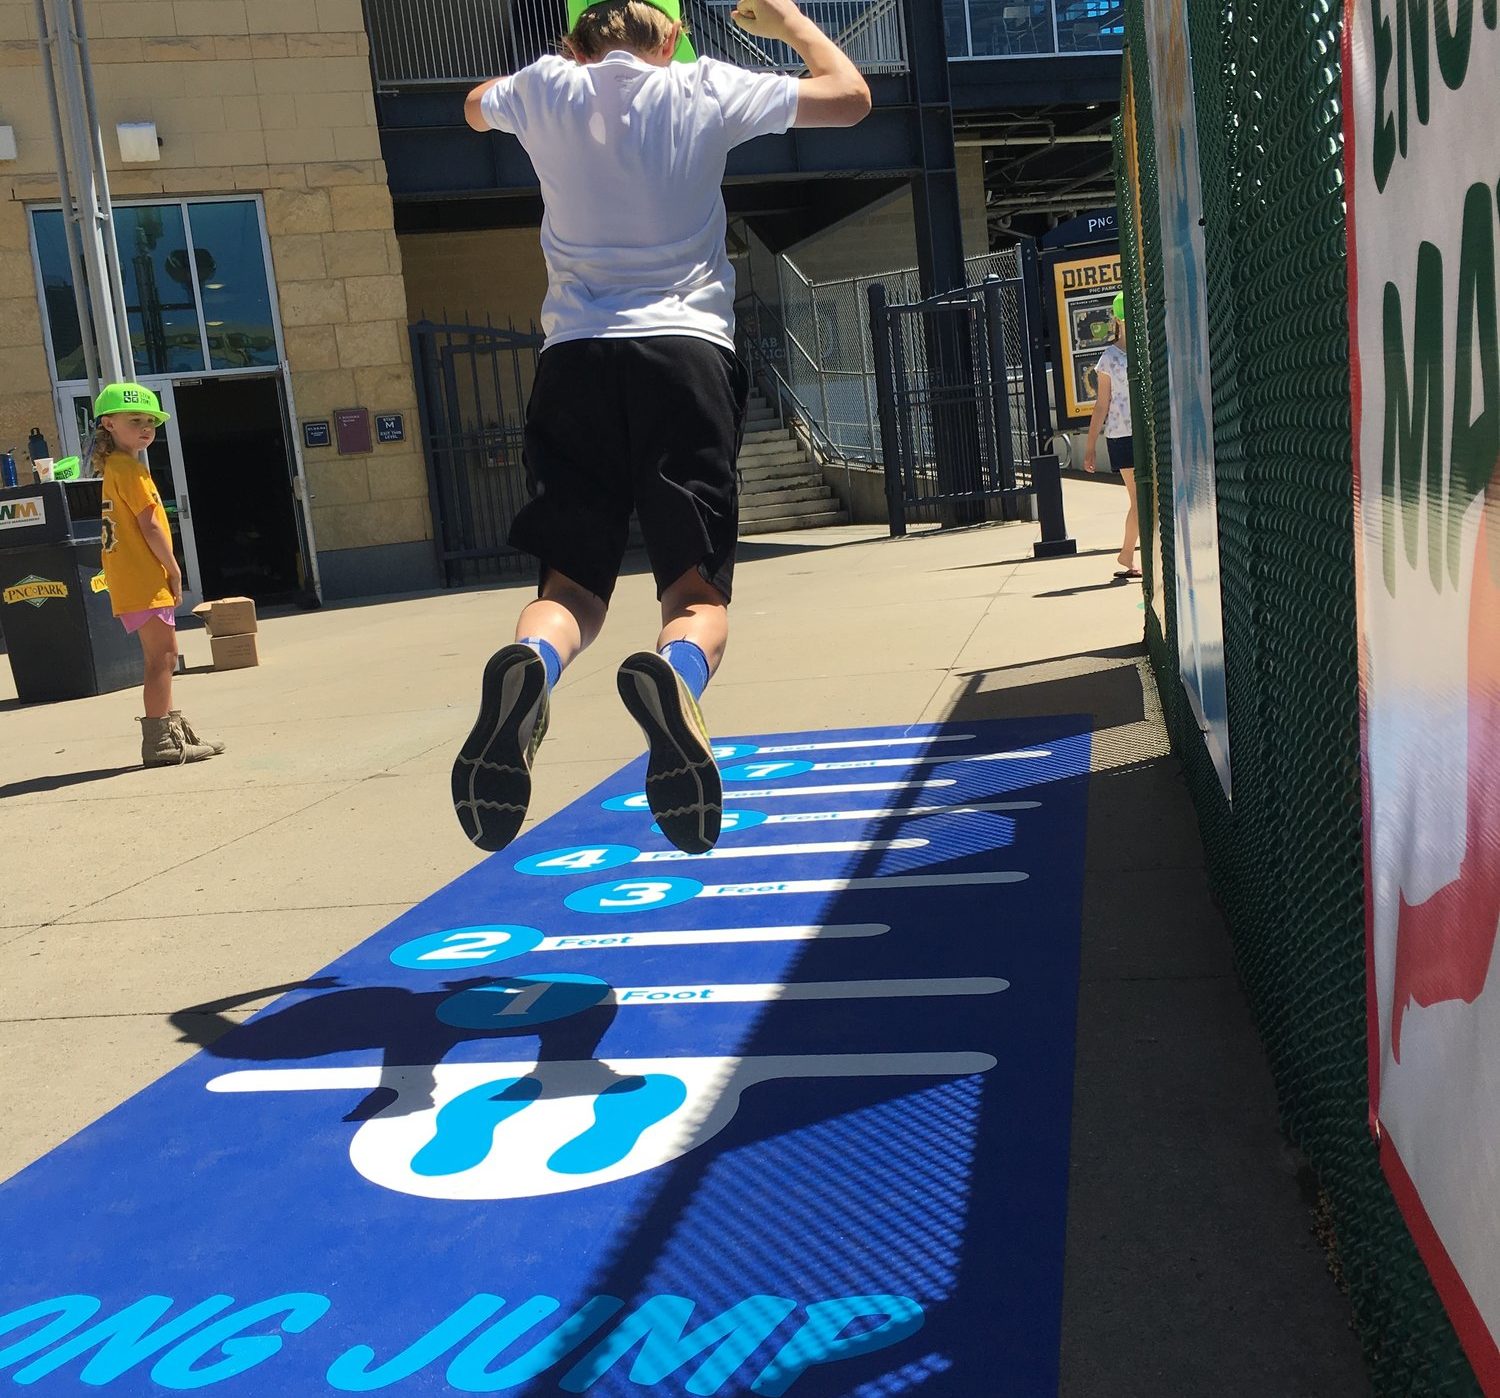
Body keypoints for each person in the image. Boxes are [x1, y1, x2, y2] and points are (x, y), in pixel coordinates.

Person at [454, 0, 871, 855]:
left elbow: (472, 107)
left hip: (574, 360)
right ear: (675, 35)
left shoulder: (544, 88)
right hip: (685, 355)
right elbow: (850, 98)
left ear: (576, 39)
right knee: (695, 596)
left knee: (570, 588)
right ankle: (676, 675)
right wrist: (788, 21)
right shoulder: (705, 88)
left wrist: (556, 73)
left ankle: (536, 663)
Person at [92, 383, 224, 767]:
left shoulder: (118, 468)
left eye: (150, 421)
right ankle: (161, 742)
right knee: (162, 658)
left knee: (163, 656)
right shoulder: (129, 470)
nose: (145, 428)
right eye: (135, 420)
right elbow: (150, 526)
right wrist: (174, 568)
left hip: (133, 577)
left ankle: (170, 730)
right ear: (109, 424)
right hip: (143, 577)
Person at [1083, 292, 1140, 579]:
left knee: (1145, 498)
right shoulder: (1109, 358)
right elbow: (1101, 404)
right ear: (1118, 320)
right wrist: (1090, 446)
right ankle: (1127, 553)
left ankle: (1130, 553)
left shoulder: (1146, 350)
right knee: (1139, 498)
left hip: (1145, 431)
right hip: (1122, 435)